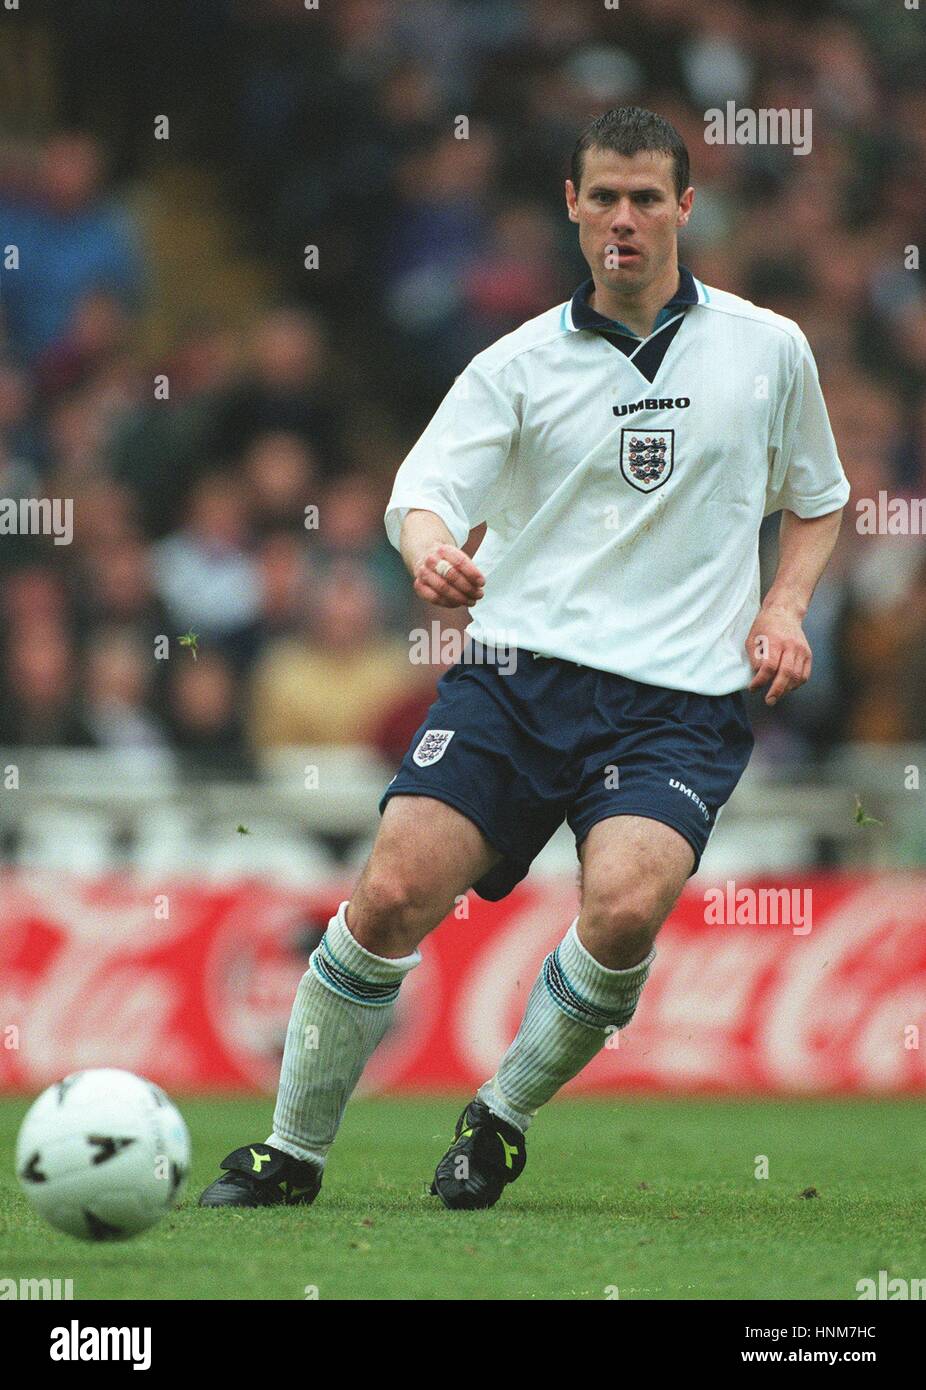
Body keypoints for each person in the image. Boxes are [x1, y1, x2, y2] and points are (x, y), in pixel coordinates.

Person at [199, 106, 849, 1212]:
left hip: (679, 701)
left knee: (624, 910)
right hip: (518, 677)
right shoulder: (514, 364)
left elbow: (819, 498)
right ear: (572, 206)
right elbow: (422, 494)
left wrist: (784, 605)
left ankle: (497, 1117)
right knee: (392, 890)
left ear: (685, 207)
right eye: (605, 198)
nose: (625, 219)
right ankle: (292, 1151)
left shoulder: (767, 348)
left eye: (647, 198)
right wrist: (429, 550)